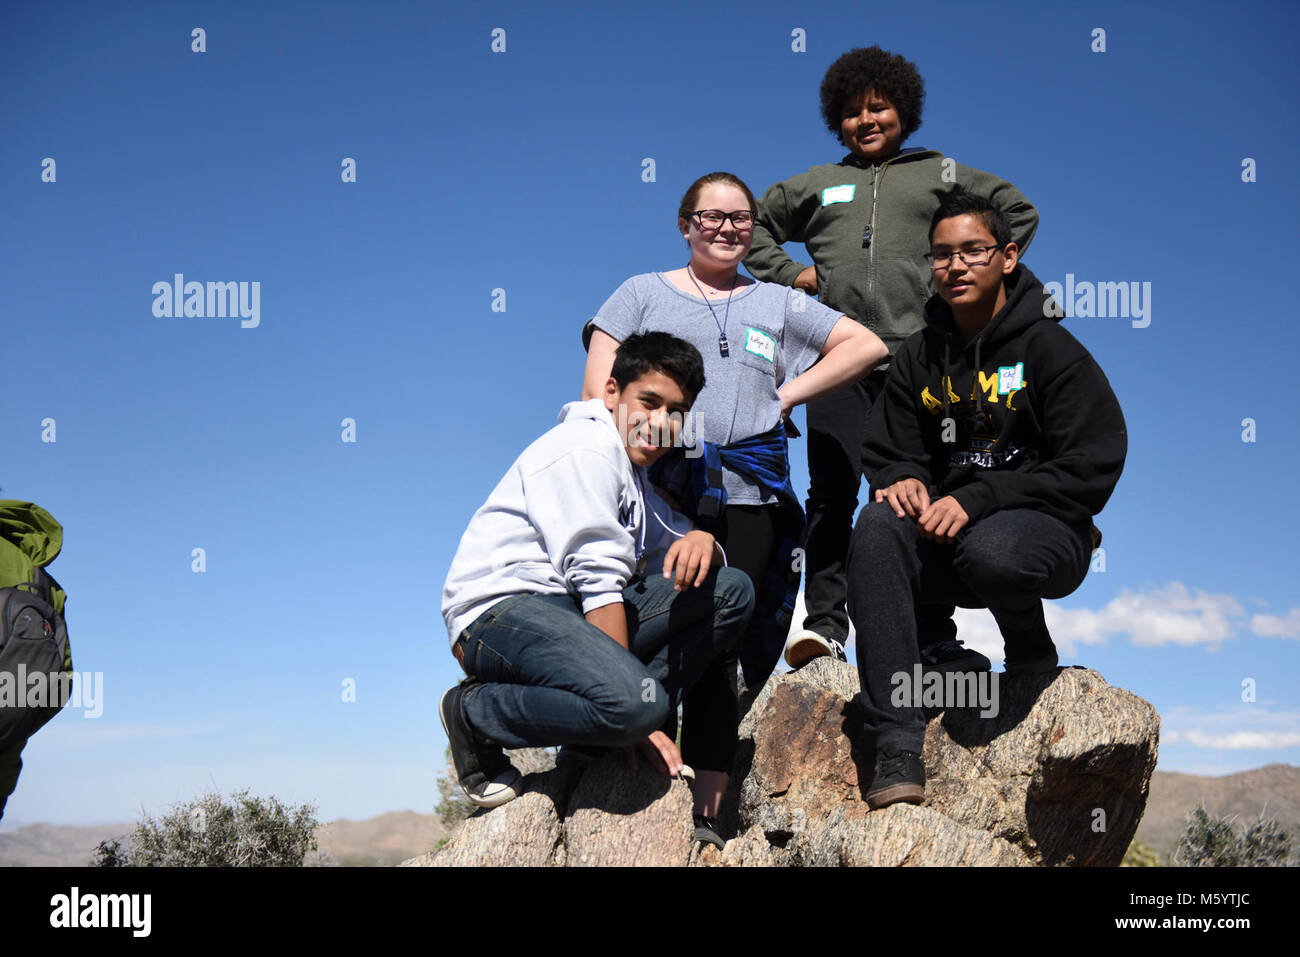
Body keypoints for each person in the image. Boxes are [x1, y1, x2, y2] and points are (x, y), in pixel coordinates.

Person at [581, 171, 886, 837]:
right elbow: (598, 393)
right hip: (656, 489)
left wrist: (783, 396)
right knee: (649, 624)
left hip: (750, 495)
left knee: (718, 640)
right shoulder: (639, 293)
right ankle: (638, 784)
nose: (726, 227)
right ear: (686, 223)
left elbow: (867, 345)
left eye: (740, 217)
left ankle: (708, 813)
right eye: (711, 216)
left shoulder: (777, 301)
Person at [743, 46, 1039, 674]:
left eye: (878, 107)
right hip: (838, 359)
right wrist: (791, 272)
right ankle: (824, 627)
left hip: (923, 361)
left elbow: (1017, 210)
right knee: (830, 491)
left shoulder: (940, 172)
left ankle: (929, 634)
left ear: (904, 111)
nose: (866, 119)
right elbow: (753, 228)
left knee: (917, 494)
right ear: (837, 122)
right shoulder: (817, 184)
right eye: (851, 113)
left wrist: (970, 277)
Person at [848, 190, 1126, 809]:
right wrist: (902, 475)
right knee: (875, 523)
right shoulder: (919, 355)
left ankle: (1026, 639)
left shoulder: (1052, 350)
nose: (956, 266)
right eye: (942, 255)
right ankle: (896, 738)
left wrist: (982, 495)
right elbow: (892, 448)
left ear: (1007, 256)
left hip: (1042, 536)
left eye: (973, 250)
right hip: (945, 539)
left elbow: (1093, 462)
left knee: (994, 549)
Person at [440, 332, 756, 843]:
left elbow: (667, 543)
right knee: (638, 705)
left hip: (562, 615)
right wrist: (638, 714)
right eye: (648, 402)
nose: (659, 423)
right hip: (498, 616)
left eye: (676, 412)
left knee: (730, 590)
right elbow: (599, 581)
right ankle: (475, 714)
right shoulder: (584, 448)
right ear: (611, 392)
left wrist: (704, 540)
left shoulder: (636, 479)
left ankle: (611, 726)